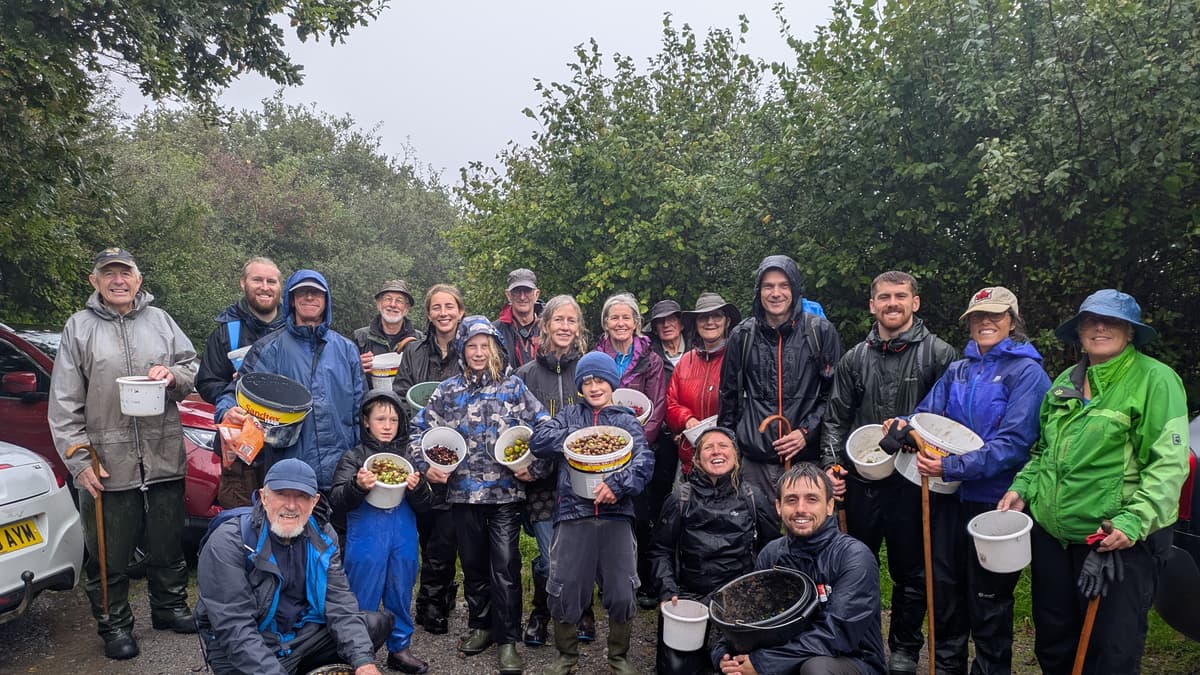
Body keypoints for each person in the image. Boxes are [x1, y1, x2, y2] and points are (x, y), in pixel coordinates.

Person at [999, 289, 1190, 674]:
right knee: (1054, 643)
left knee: (1112, 650)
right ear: (1080, 330)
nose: (1100, 327)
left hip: (1115, 541)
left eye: (1113, 321)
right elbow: (1043, 452)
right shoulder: (1064, 382)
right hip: (1054, 538)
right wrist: (1022, 488)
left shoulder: (1155, 381)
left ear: (1131, 332)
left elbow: (1168, 465)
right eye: (1091, 320)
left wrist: (1133, 521)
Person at [48, 247, 200, 660]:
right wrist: (79, 461)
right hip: (106, 462)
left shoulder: (162, 321)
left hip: (162, 452)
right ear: (94, 281)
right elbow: (63, 403)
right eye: (108, 274)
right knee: (108, 554)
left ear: (138, 279)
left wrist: (173, 376)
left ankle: (169, 608)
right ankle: (114, 624)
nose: (118, 280)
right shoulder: (78, 328)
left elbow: (190, 365)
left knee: (168, 543)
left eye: (125, 273)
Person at [898, 286, 1050, 674]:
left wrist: (951, 467)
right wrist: (903, 428)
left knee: (988, 602)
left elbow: (1015, 443)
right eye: (978, 317)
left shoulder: (1028, 373)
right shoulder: (958, 370)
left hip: (996, 503)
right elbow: (925, 415)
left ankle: (991, 669)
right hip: (948, 498)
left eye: (995, 316)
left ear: (1012, 322)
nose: (985, 323)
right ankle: (946, 668)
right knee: (946, 595)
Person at [819, 271, 956, 674]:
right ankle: (860, 642)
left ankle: (905, 649)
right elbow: (834, 419)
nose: (891, 303)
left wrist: (922, 444)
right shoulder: (855, 358)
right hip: (862, 480)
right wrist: (831, 465)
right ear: (872, 305)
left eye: (900, 296)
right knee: (855, 565)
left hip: (917, 479)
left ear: (915, 302)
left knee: (911, 570)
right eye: (884, 297)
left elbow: (948, 420)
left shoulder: (939, 354)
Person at [407, 316, 550, 675]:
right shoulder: (448, 391)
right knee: (472, 565)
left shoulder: (514, 388)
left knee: (504, 566)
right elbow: (416, 432)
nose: (478, 352)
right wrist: (426, 468)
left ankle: (508, 641)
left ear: (495, 349)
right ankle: (481, 626)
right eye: (471, 345)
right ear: (462, 349)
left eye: (485, 345)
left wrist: (533, 468)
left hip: (505, 496)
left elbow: (546, 430)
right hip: (463, 496)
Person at [196, 458, 390, 675]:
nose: (291, 505)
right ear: (263, 497)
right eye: (281, 494)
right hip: (245, 646)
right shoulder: (229, 542)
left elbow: (339, 602)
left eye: (301, 497)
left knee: (375, 624)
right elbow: (234, 627)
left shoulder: (324, 536)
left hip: (298, 637)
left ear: (314, 501)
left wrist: (364, 661)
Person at [530, 351, 655, 675]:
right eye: (586, 381)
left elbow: (644, 462)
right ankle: (567, 657)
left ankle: (618, 656)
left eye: (599, 380)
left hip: (616, 514)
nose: (594, 387)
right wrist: (576, 438)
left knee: (622, 588)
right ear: (580, 387)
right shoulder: (570, 416)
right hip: (574, 512)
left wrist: (619, 483)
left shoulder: (626, 420)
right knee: (564, 586)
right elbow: (539, 441)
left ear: (611, 382)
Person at [713, 463, 886, 675]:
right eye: (791, 500)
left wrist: (763, 663)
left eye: (812, 499)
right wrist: (724, 655)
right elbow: (749, 618)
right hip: (785, 654)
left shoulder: (854, 557)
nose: (801, 509)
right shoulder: (771, 554)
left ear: (830, 506)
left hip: (850, 659)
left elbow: (836, 634)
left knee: (816, 669)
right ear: (778, 506)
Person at [719, 254, 843, 534]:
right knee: (758, 535)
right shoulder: (742, 335)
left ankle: (811, 580)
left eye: (783, 285)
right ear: (758, 291)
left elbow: (834, 396)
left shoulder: (820, 331)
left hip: (805, 457)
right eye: (768, 286)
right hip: (755, 459)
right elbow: (729, 397)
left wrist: (804, 432)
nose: (775, 293)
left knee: (809, 531)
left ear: (795, 289)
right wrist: (730, 449)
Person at [215, 269, 364, 491]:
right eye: (302, 292)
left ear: (326, 300)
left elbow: (361, 411)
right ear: (292, 300)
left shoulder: (347, 350)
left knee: (338, 527)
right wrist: (226, 411)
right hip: (288, 474)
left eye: (316, 293)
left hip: (341, 475)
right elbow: (236, 393)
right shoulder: (268, 348)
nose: (310, 297)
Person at [651, 427, 775, 674]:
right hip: (689, 595)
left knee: (732, 667)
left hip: (739, 597)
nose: (716, 451)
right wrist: (667, 590)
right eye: (708, 447)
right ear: (697, 458)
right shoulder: (680, 499)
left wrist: (761, 594)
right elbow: (660, 550)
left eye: (723, 446)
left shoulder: (754, 497)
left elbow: (772, 550)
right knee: (676, 669)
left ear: (736, 455)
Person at [329, 390, 433, 674]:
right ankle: (359, 655)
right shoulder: (353, 458)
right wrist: (357, 486)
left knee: (401, 590)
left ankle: (399, 649)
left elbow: (427, 506)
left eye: (393, 419)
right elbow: (336, 502)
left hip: (403, 535)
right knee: (362, 594)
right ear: (366, 421)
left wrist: (418, 488)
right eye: (380, 419)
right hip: (366, 537)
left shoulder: (408, 459)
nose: (387, 425)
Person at [514, 294, 589, 647]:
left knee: (583, 550)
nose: (564, 327)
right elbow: (514, 429)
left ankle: (582, 608)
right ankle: (542, 611)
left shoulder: (589, 370)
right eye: (558, 320)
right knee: (550, 556)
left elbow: (600, 422)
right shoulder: (525, 375)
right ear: (544, 326)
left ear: (578, 328)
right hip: (542, 482)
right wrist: (527, 465)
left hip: (582, 478)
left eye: (570, 321)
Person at [392, 283, 465, 635]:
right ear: (429, 313)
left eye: (449, 306)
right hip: (421, 452)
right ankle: (437, 591)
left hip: (461, 455)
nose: (443, 313)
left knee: (446, 534)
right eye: (436, 307)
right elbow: (400, 394)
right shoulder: (414, 352)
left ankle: (433, 602)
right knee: (425, 530)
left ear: (460, 311)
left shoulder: (471, 349)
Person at [595, 292, 668, 611]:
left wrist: (636, 444)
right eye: (614, 317)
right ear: (606, 323)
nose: (620, 323)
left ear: (637, 323)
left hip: (638, 449)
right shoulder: (596, 355)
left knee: (641, 517)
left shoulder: (650, 359)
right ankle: (607, 582)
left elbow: (658, 405)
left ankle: (643, 582)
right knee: (606, 518)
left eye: (627, 317)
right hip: (603, 446)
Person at [196, 256, 286, 508]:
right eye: (257, 280)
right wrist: (234, 389)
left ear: (280, 287)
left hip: (286, 444)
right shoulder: (227, 331)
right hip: (240, 448)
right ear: (243, 283)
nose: (265, 287)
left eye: (272, 281)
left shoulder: (293, 328)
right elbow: (206, 383)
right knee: (240, 521)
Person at [667, 292, 740, 476]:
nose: (710, 322)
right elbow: (670, 404)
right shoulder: (685, 361)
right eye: (703, 317)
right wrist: (686, 419)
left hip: (728, 459)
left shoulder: (737, 359)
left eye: (716, 316)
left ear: (727, 321)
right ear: (696, 323)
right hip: (690, 460)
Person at [354, 279, 424, 374]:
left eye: (399, 301)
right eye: (388, 299)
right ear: (379, 304)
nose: (393, 305)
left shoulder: (420, 340)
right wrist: (355, 366)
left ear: (406, 309)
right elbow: (344, 375)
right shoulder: (359, 337)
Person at [493, 268, 542, 369]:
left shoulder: (549, 329)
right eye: (517, 291)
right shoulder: (494, 331)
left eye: (527, 291)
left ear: (536, 294)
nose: (522, 297)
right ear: (508, 295)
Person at [647, 299, 690, 378]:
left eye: (671, 319)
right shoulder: (649, 356)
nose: (666, 324)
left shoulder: (698, 351)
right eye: (660, 321)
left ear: (682, 325)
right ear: (655, 329)